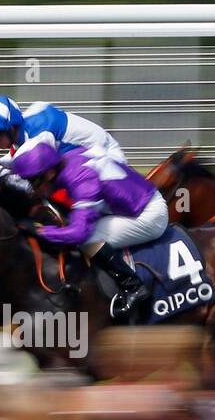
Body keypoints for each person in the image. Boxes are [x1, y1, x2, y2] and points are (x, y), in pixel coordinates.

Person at [8, 136, 162, 320]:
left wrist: (41, 231)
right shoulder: (68, 160)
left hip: (149, 215)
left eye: (34, 181)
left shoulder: (80, 180)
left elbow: (79, 233)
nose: (33, 188)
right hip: (135, 201)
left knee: (86, 240)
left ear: (48, 174)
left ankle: (133, 286)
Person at [0, 96, 127, 186]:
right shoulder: (25, 125)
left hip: (109, 164)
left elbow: (27, 185)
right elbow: (17, 156)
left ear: (12, 128)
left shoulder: (40, 137)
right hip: (95, 152)